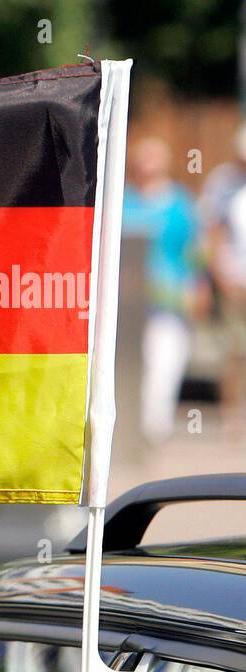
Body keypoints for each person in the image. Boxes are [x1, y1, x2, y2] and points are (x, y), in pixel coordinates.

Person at [122, 137, 201, 444]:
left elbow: (194, 250)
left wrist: (198, 285)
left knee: (164, 361)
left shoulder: (180, 204)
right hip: (128, 300)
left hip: (169, 298)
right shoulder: (123, 200)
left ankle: (154, 428)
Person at [199, 125, 246, 435]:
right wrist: (220, 278)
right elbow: (213, 234)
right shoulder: (223, 183)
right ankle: (235, 417)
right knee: (236, 351)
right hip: (234, 280)